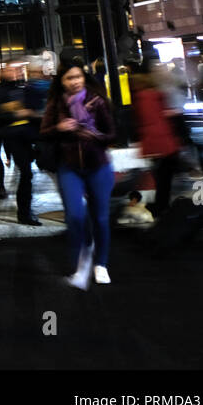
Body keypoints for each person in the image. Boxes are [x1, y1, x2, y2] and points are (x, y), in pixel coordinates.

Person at [40, 62, 116, 290]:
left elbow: (111, 133)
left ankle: (101, 264)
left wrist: (94, 135)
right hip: (69, 166)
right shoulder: (56, 104)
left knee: (101, 218)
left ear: (84, 78)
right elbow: (43, 132)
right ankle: (79, 260)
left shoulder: (97, 101)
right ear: (61, 81)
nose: (74, 82)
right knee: (74, 216)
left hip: (98, 166)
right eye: (69, 78)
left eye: (78, 77)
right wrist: (59, 128)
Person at [130, 70, 183, 217]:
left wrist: (141, 142)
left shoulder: (142, 97)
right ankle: (163, 205)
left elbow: (146, 121)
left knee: (161, 177)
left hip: (157, 142)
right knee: (165, 177)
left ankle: (161, 206)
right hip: (167, 141)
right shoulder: (157, 95)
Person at [0, 64, 41, 225]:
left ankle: (26, 210)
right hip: (14, 137)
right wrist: (18, 113)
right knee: (26, 173)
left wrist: (30, 114)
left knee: (28, 173)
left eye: (18, 70)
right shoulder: (0, 92)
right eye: (11, 70)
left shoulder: (26, 89)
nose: (16, 73)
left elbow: (36, 110)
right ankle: (24, 213)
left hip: (28, 136)